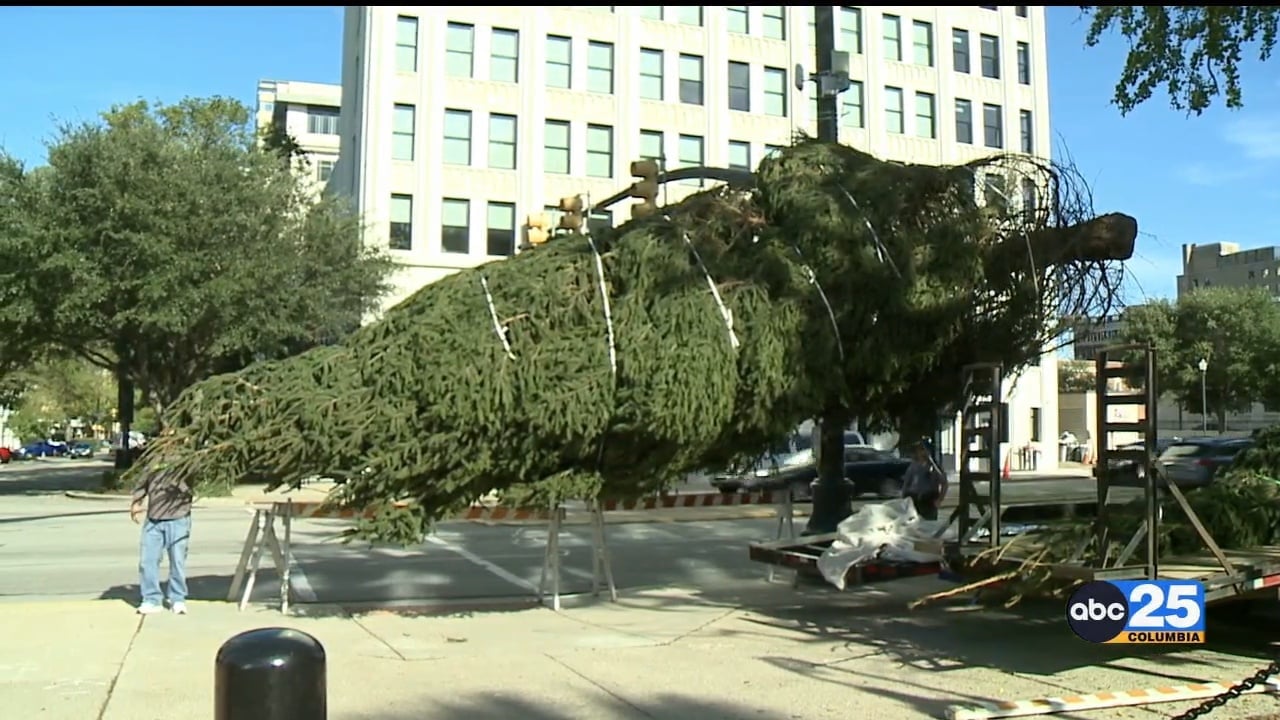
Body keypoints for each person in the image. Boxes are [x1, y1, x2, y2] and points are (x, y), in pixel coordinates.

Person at [129, 461, 194, 615]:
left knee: (177, 561)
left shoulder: (187, 456)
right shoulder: (154, 458)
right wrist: (136, 502)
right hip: (153, 519)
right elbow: (143, 482)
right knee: (147, 561)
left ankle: (177, 599)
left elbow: (194, 474)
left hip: (178, 517)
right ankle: (151, 599)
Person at [900, 442, 947, 521]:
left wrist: (939, 499)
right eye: (919, 450)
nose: (921, 453)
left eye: (923, 450)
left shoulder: (935, 467)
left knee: (928, 525)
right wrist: (904, 498)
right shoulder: (913, 466)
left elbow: (944, 483)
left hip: (928, 500)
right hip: (914, 500)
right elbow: (906, 483)